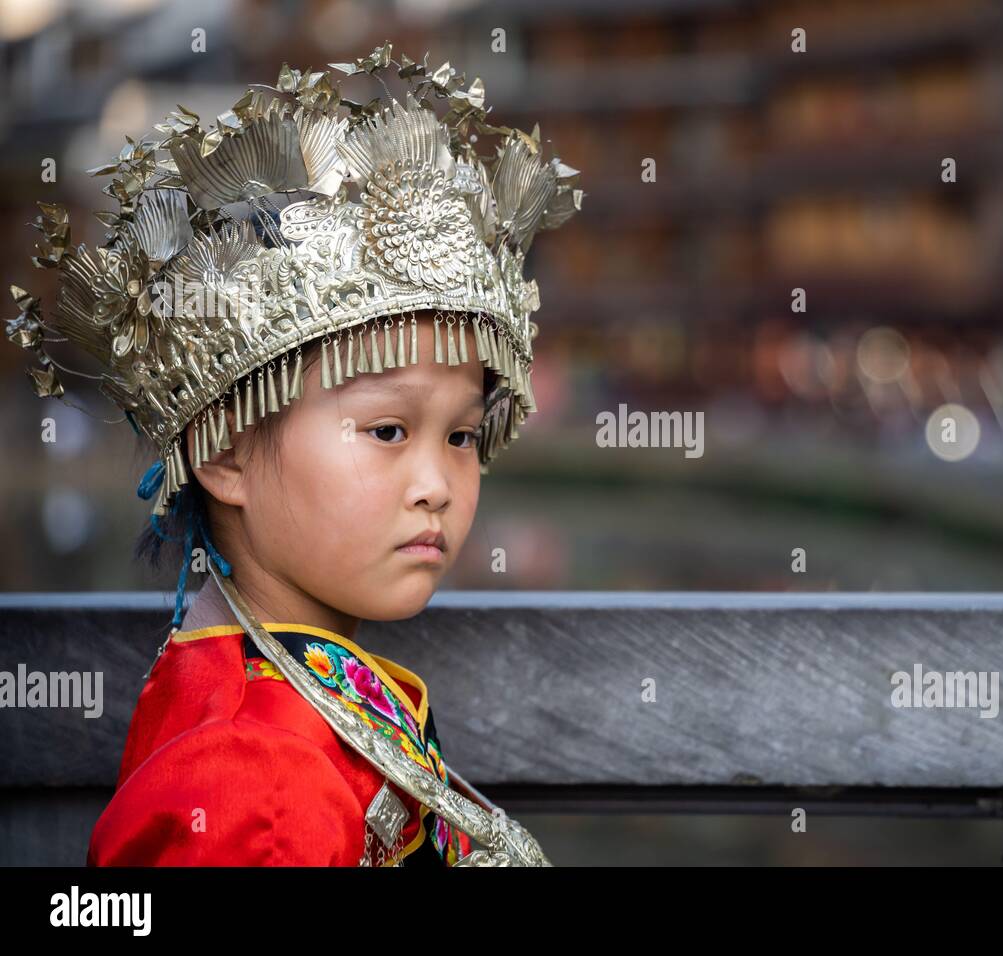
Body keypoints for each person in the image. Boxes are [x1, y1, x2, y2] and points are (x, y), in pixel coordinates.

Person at [6, 42, 582, 866]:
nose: (438, 486)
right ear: (226, 455)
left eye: (460, 435)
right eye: (387, 431)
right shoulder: (257, 786)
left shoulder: (259, 701)